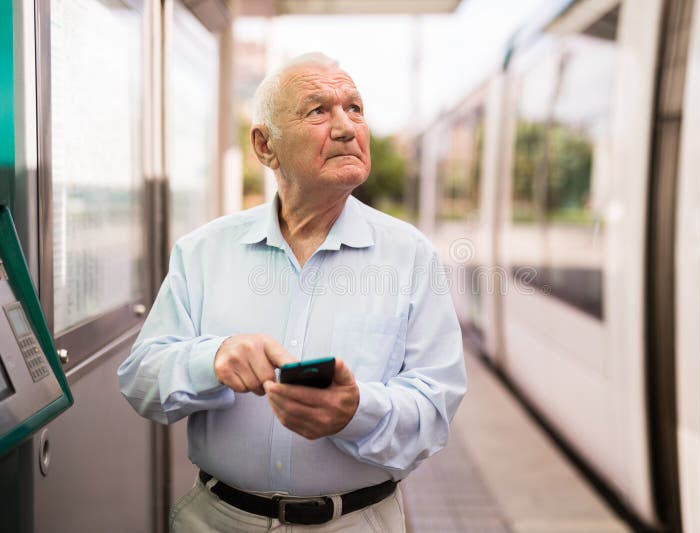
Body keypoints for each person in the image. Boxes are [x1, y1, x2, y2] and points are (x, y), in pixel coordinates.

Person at [117, 52, 467, 532]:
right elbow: (139, 380)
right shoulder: (203, 251)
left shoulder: (411, 255)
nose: (345, 127)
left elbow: (435, 406)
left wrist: (355, 411)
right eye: (318, 110)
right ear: (265, 146)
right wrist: (212, 359)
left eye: (355, 108)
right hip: (218, 521)